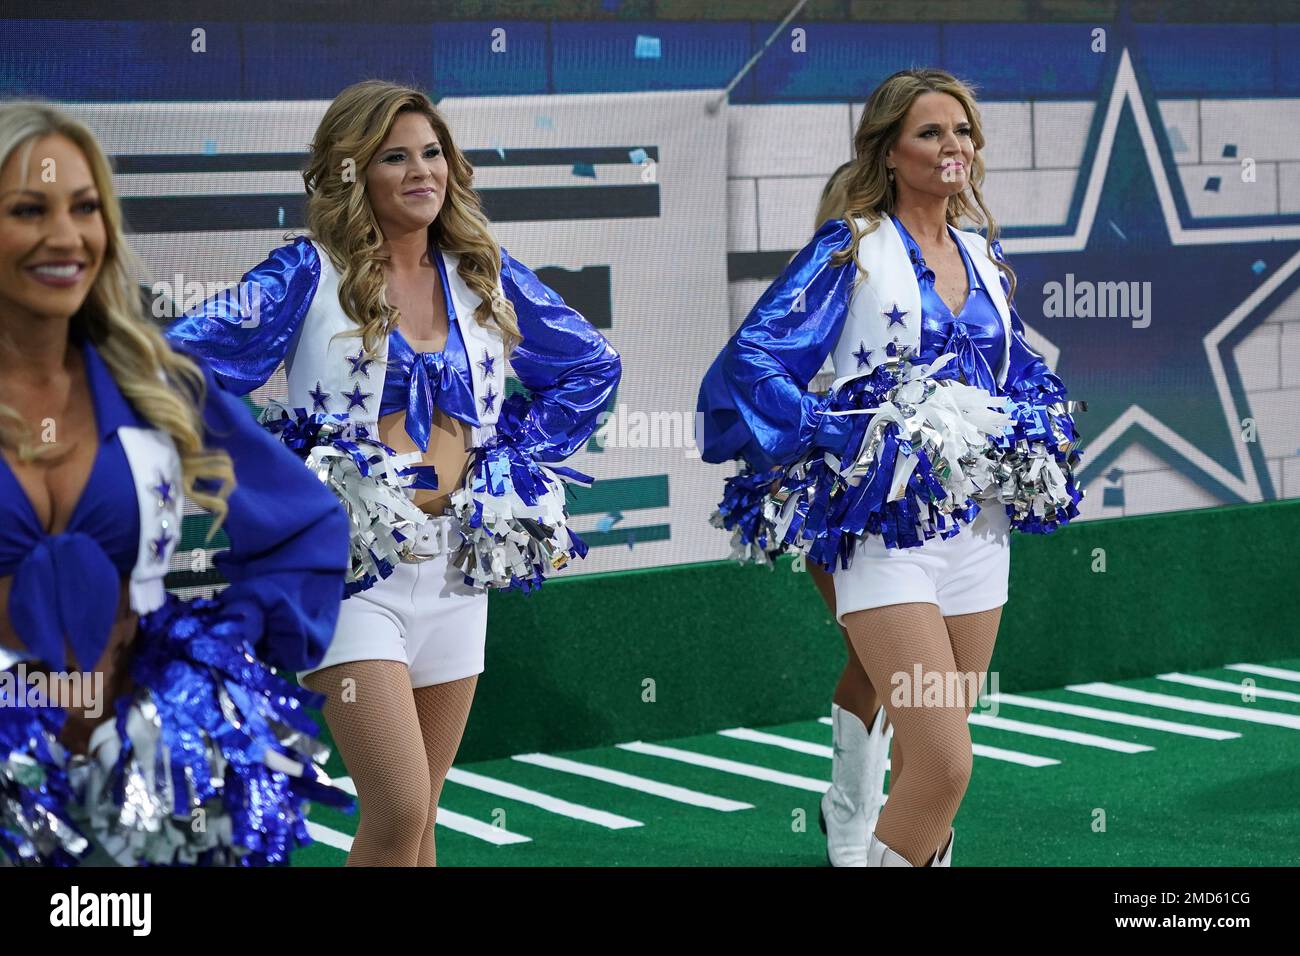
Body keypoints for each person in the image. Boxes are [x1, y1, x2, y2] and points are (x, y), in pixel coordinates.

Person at [167, 80, 621, 866]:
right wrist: (277, 475)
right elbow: (174, 368)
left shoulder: (483, 272)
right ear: (352, 174)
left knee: (422, 820)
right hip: (350, 577)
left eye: (433, 153)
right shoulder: (303, 275)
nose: (422, 171)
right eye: (394, 157)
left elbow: (592, 365)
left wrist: (509, 461)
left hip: (457, 570)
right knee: (399, 802)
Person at [698, 69, 1084, 867]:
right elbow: (755, 358)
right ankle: (847, 814)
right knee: (948, 764)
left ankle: (864, 833)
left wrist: (1038, 419)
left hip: (979, 533)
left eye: (964, 132)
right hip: (885, 535)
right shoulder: (852, 248)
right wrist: (835, 435)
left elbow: (1014, 371)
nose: (953, 148)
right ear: (889, 151)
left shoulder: (982, 251)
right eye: (931, 134)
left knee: (924, 759)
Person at [0, 101, 352, 866]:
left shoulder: (146, 377)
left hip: (144, 777)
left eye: (85, 208)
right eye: (29, 210)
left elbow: (306, 526)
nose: (66, 237)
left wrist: (208, 659)